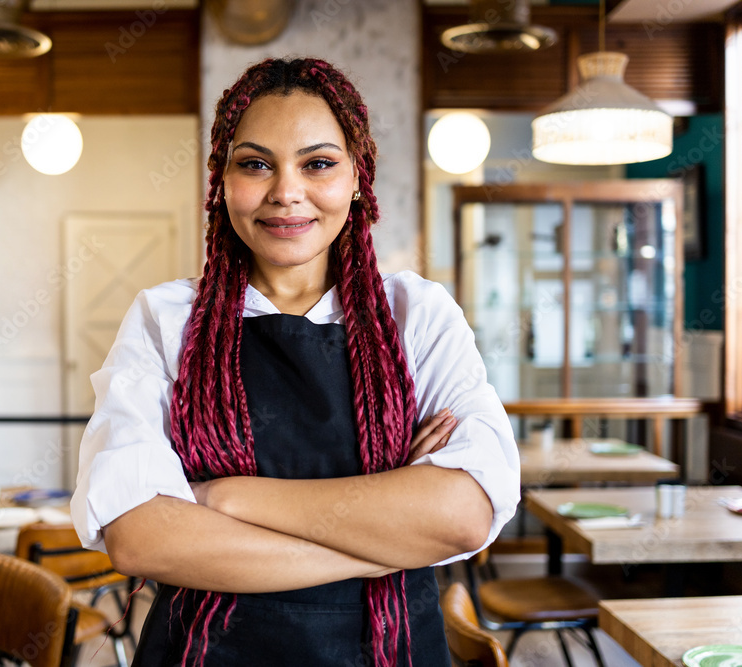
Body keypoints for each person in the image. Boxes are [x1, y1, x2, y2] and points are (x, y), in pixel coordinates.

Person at [71, 57, 520, 667]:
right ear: (220, 181)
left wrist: (225, 498)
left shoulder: (418, 317)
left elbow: (464, 515)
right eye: (256, 164)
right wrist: (387, 543)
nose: (286, 192)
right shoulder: (165, 320)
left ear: (358, 177)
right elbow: (139, 535)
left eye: (318, 164)